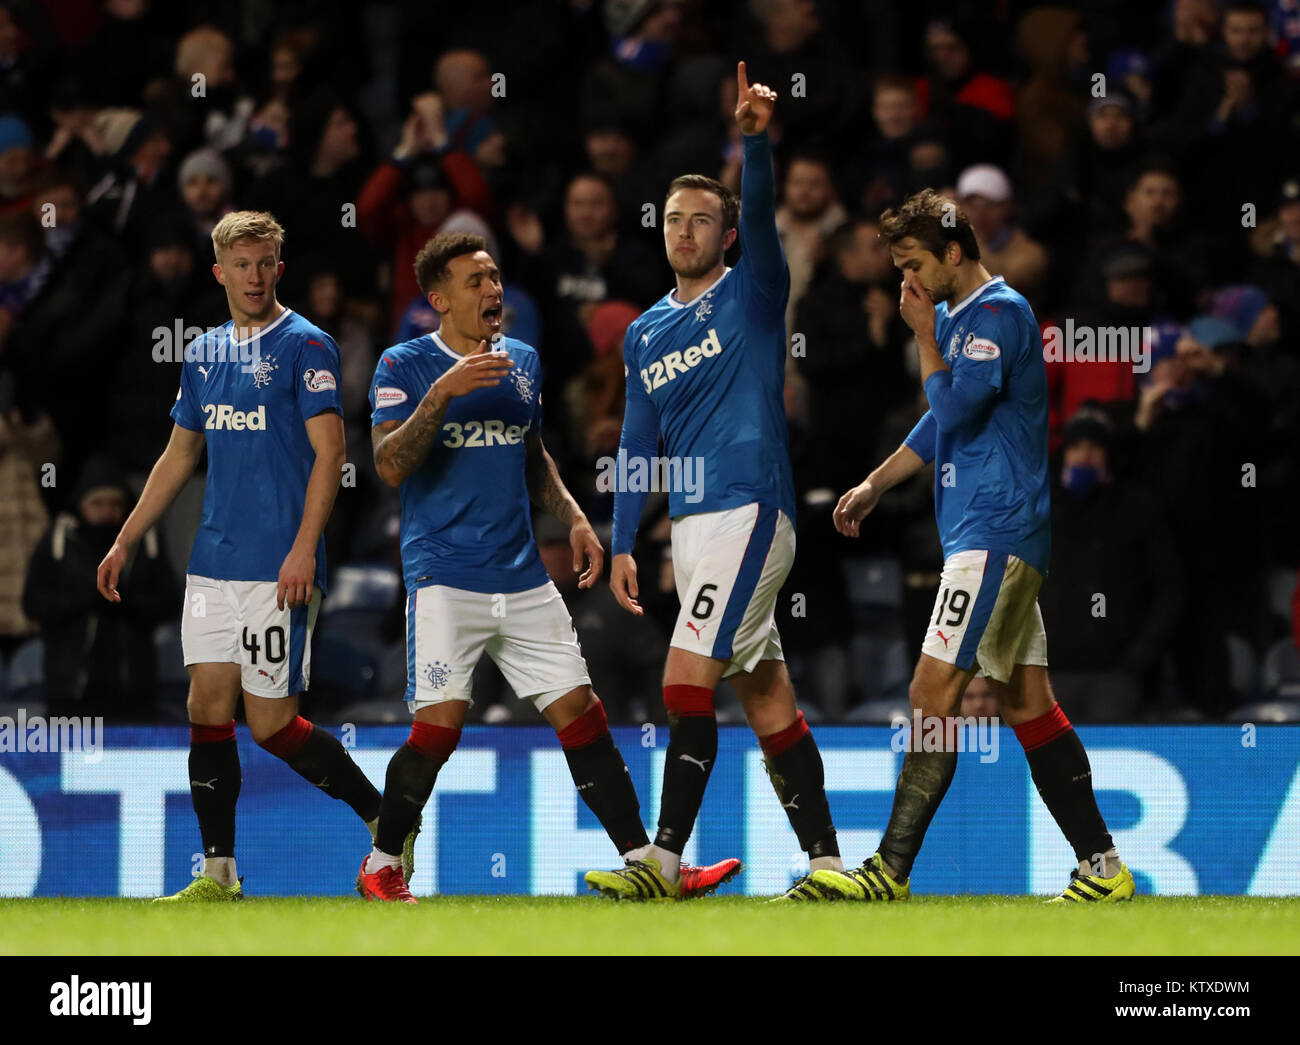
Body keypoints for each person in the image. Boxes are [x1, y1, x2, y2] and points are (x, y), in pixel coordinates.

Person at [356, 231, 738, 903]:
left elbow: (530, 455)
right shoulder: (404, 364)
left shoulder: (523, 360)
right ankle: (382, 860)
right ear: (438, 297)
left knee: (581, 713)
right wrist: (442, 392)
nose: (491, 290)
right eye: (474, 281)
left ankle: (645, 860)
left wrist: (574, 516)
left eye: (495, 277)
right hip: (444, 575)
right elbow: (388, 465)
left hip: (523, 574)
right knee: (438, 728)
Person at [826, 190, 1134, 903]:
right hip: (985, 532)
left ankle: (889, 869)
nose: (906, 283)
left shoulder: (999, 313)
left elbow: (957, 405)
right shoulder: (964, 318)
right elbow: (943, 422)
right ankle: (1104, 868)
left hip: (996, 530)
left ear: (954, 254)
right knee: (1028, 702)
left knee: (931, 691)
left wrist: (921, 336)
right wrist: (876, 483)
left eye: (913, 266)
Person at [585, 63, 843, 902]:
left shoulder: (754, 292)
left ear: (727, 236)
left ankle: (661, 859)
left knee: (682, 680)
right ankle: (829, 865)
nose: (685, 231)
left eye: (703, 220)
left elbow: (764, 217)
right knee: (766, 694)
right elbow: (637, 439)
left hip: (751, 511)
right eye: (674, 219)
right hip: (693, 529)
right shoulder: (646, 331)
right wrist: (623, 540)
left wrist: (755, 142)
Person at [96, 211, 402, 901]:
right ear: (221, 272)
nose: (255, 275)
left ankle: (385, 814)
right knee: (205, 706)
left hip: (279, 566)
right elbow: (180, 454)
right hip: (213, 561)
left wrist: (302, 549)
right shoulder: (203, 352)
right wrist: (126, 537)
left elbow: (332, 452)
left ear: (278, 269)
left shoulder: (308, 344)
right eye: (243, 264)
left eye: (266, 263)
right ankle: (219, 873)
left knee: (269, 724)